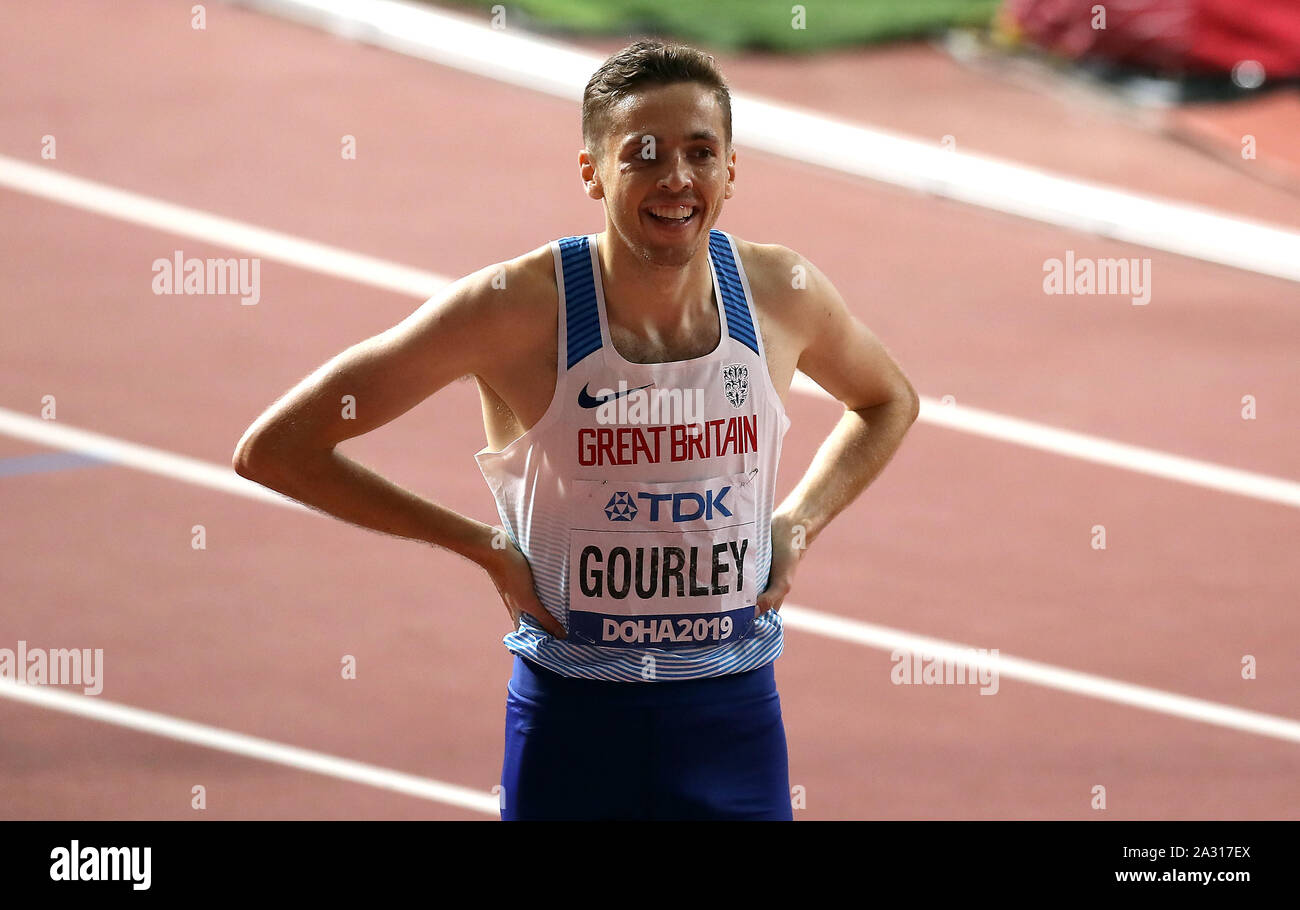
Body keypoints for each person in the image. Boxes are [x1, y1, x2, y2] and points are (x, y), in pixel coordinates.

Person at [233, 39, 919, 820]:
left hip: (733, 718)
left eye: (700, 152)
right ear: (591, 171)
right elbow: (277, 450)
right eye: (644, 154)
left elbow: (888, 400)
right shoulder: (514, 308)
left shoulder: (780, 294)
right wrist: (483, 546)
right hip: (573, 721)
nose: (676, 178)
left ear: (731, 170)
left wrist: (798, 522)